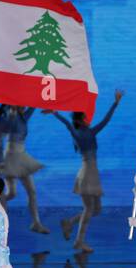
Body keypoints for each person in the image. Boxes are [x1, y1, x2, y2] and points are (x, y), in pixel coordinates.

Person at [51, 90, 120, 252]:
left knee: (96, 209)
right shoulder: (81, 133)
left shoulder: (88, 132)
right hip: (88, 173)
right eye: (84, 118)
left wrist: (115, 103)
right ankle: (79, 241)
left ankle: (69, 223)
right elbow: (70, 125)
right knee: (90, 209)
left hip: (91, 172)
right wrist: (56, 114)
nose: (87, 120)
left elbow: (105, 121)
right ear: (80, 120)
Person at [0, 105, 49, 234]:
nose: (24, 107)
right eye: (21, 104)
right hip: (11, 156)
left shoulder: (24, 116)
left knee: (28, 192)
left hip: (21, 156)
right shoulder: (10, 114)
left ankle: (36, 223)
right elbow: (5, 126)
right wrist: (10, 111)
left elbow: (34, 104)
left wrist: (51, 108)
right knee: (13, 193)